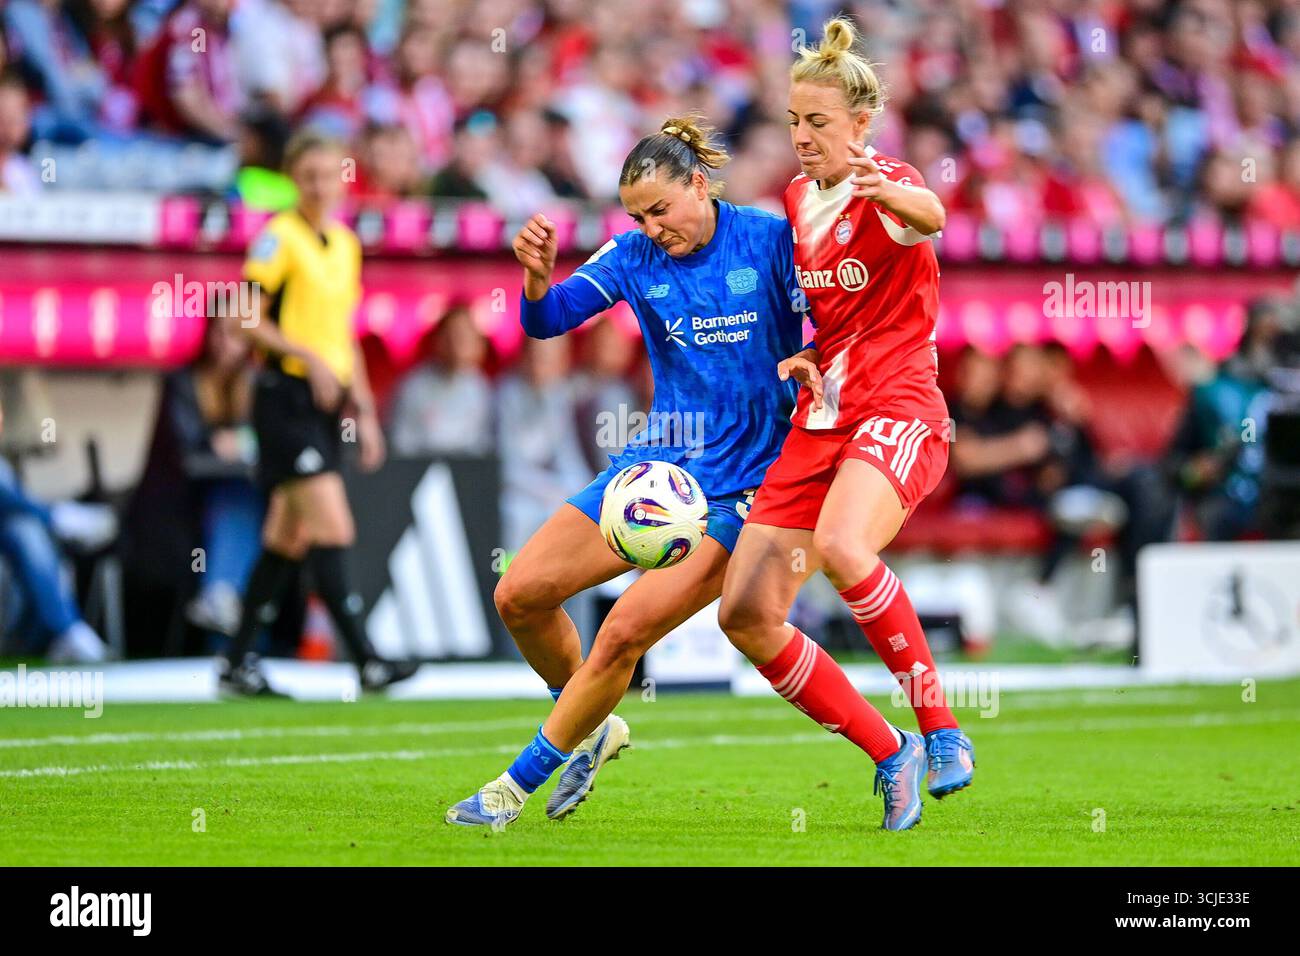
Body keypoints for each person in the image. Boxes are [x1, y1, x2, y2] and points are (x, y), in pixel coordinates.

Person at [445, 115, 805, 827]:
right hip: (656, 470)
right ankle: (591, 724)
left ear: (698, 185)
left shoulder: (768, 240)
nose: (651, 227)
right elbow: (549, 321)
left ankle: (510, 791)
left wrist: (813, 363)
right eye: (638, 215)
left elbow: (831, 322)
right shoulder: (634, 254)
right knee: (519, 595)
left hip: (741, 488)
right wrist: (537, 281)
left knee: (621, 635)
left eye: (660, 209)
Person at [717, 17, 973, 832]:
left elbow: (931, 214)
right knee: (744, 615)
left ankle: (942, 728)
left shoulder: (886, 182)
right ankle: (890, 750)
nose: (802, 136)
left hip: (898, 406)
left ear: (860, 123)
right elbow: (830, 315)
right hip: (823, 416)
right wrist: (803, 356)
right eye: (794, 120)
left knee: (842, 546)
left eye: (818, 121)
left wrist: (889, 190)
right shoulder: (797, 199)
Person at [219, 130, 417, 695]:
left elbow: (343, 334)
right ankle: (367, 660)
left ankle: (236, 662)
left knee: (287, 536)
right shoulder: (277, 238)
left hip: (326, 405)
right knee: (332, 526)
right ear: (292, 179)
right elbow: (243, 319)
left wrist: (366, 411)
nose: (319, 186)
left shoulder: (345, 243)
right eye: (308, 176)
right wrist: (307, 357)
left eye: (329, 174)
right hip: (286, 398)